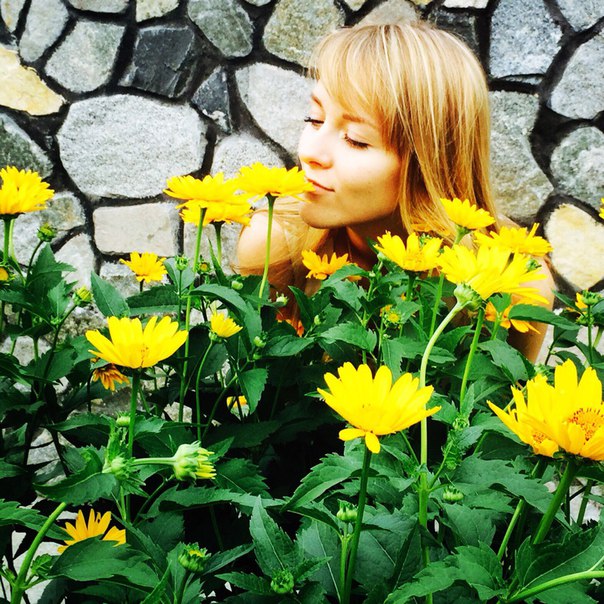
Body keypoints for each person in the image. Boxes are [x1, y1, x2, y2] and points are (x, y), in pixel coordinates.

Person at [237, 20, 555, 362]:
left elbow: (508, 390)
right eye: (315, 119)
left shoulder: (517, 285)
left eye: (356, 139)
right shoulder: (275, 246)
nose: (310, 152)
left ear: (429, 165)